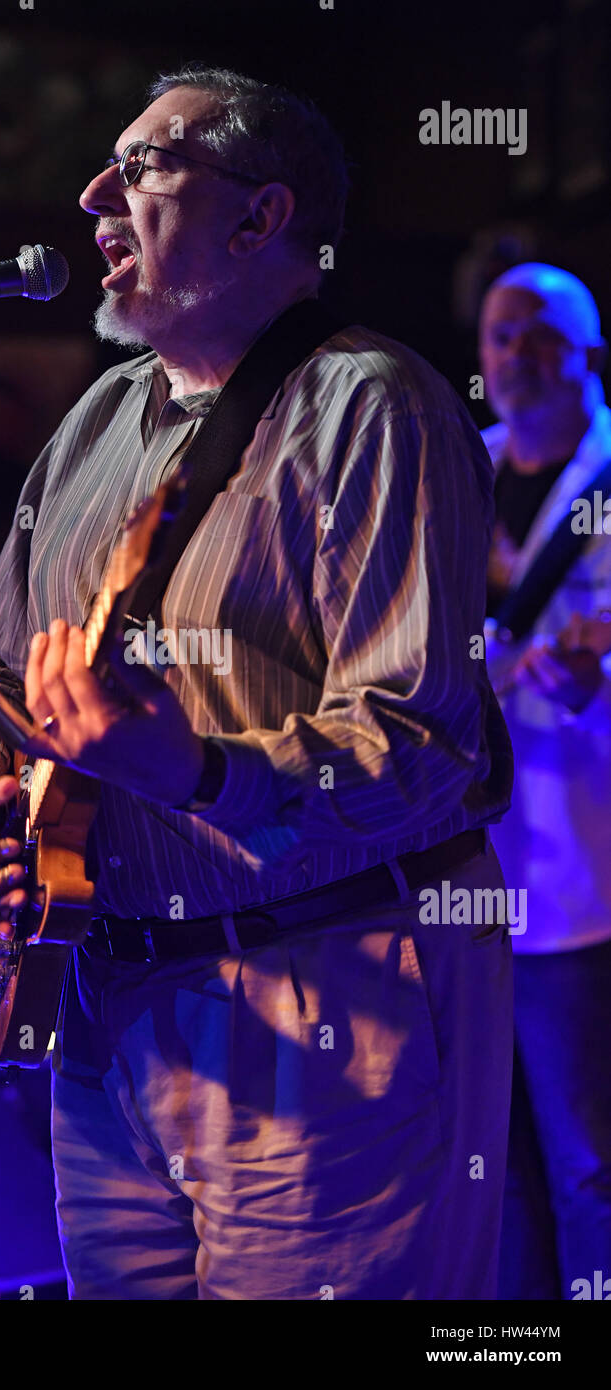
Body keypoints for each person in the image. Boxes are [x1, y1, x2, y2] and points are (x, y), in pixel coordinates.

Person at [0, 65, 514, 1300]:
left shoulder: (376, 406)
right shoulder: (95, 420)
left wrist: (195, 771)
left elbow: (430, 742)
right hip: (101, 993)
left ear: (259, 218)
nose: (92, 194)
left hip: (320, 995)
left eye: (140, 167)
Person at [479, 262, 611, 1300]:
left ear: (587, 358)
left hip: (582, 879)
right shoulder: (454, 480)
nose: (515, 353)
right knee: (481, 1173)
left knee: (587, 1164)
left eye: (540, 335)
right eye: (498, 333)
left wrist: (594, 673)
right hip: (457, 876)